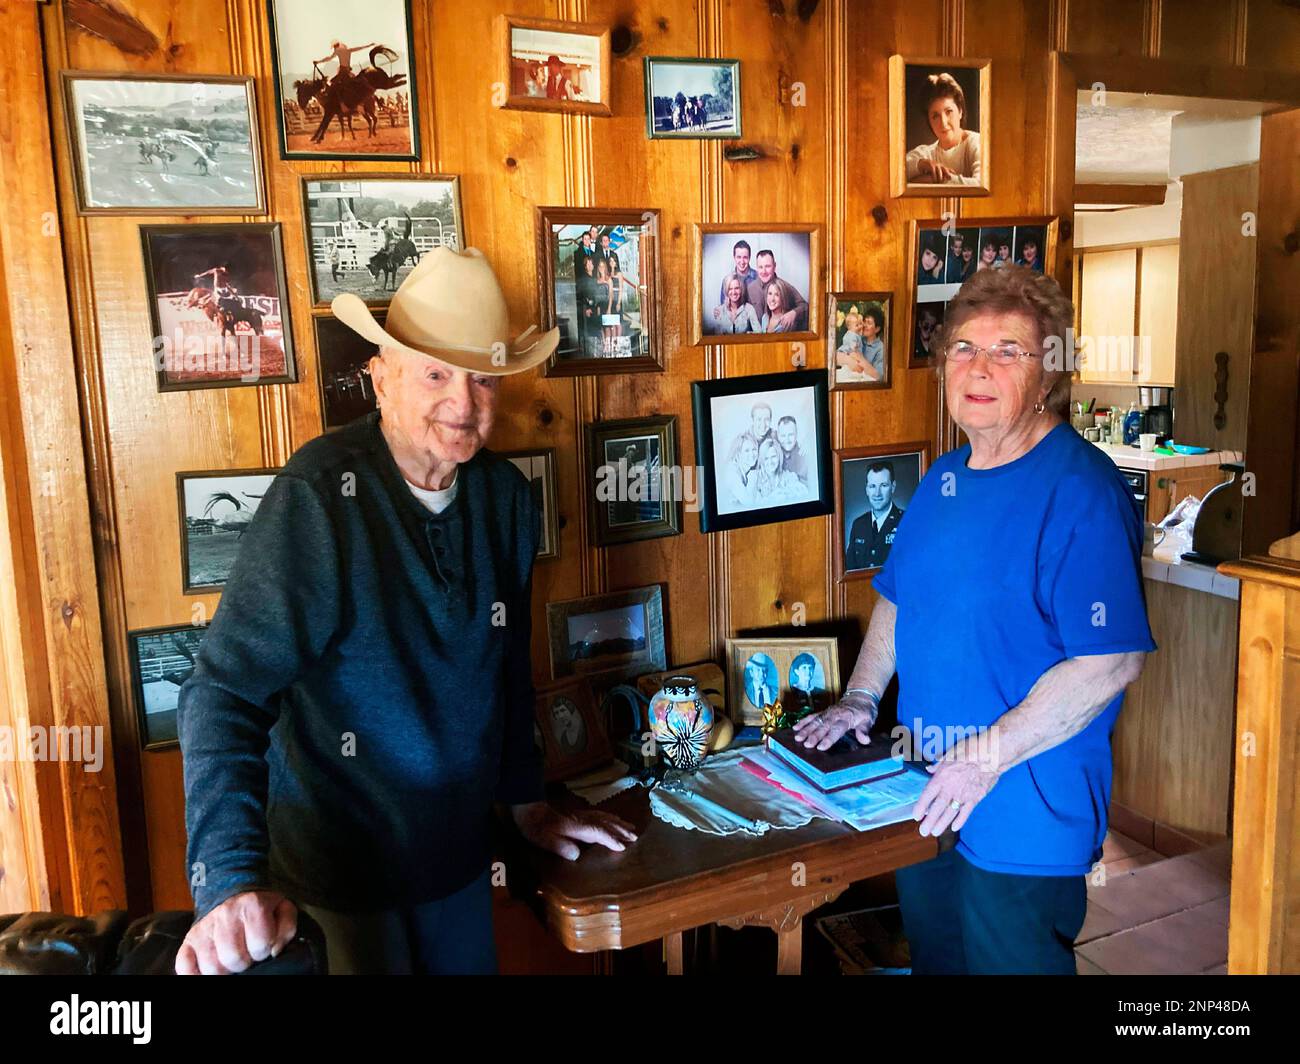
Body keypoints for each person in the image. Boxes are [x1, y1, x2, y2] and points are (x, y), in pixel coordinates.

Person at [175, 247, 636, 976]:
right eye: (435, 373)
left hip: (457, 861)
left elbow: (507, 672)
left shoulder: (506, 501)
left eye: (483, 377)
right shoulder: (321, 497)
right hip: (337, 872)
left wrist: (528, 804)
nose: (464, 402)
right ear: (381, 377)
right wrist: (229, 881)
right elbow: (223, 691)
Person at [794, 265, 1153, 975]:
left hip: (1023, 817)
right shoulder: (942, 480)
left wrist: (982, 758)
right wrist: (862, 696)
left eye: (1008, 351)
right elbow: (899, 599)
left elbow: (1112, 660)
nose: (979, 368)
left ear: (1048, 374)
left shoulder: (1081, 490)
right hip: (928, 797)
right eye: (963, 348)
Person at [905, 71, 982, 185]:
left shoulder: (977, 142)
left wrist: (936, 179)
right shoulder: (927, 152)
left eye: (948, 112)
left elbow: (980, 184)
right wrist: (921, 164)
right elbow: (899, 171)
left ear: (960, 111)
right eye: (935, 116)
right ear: (929, 121)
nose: (943, 122)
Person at [844, 461, 904, 570]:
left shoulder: (907, 522)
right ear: (867, 489)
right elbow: (849, 570)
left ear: (893, 487)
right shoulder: (858, 525)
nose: (877, 493)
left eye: (883, 485)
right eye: (872, 486)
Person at [747, 250, 808, 331]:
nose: (764, 271)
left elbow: (805, 306)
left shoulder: (785, 287)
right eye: (760, 267)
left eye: (767, 266)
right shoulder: (750, 289)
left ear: (774, 266)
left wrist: (794, 313)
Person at [752, 437, 806, 504]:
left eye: (773, 457)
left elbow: (803, 492)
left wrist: (782, 492)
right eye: (766, 458)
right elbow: (752, 504)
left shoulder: (788, 476)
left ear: (779, 457)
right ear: (762, 460)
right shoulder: (754, 477)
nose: (770, 462)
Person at [720, 432, 759, 509]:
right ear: (738, 454)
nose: (752, 454)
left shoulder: (745, 470)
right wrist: (752, 479)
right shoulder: (731, 473)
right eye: (747, 450)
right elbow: (750, 503)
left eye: (754, 449)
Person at [718, 240, 758, 306]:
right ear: (734, 257)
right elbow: (724, 307)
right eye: (739, 257)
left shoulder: (758, 277)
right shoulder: (727, 281)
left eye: (745, 257)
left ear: (749, 258)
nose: (742, 261)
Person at [775, 415, 809, 485]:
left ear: (796, 434)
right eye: (783, 436)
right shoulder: (773, 453)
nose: (787, 440)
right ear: (778, 435)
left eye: (791, 435)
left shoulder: (804, 455)